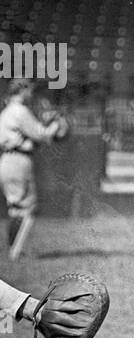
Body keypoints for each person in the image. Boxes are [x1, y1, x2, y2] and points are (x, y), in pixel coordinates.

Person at [0, 81, 68, 259]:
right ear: (21, 90)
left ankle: (12, 249)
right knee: (29, 209)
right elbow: (41, 134)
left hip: (6, 159)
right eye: (28, 89)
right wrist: (55, 124)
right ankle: (17, 252)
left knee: (15, 208)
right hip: (19, 160)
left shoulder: (6, 111)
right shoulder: (20, 111)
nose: (31, 93)